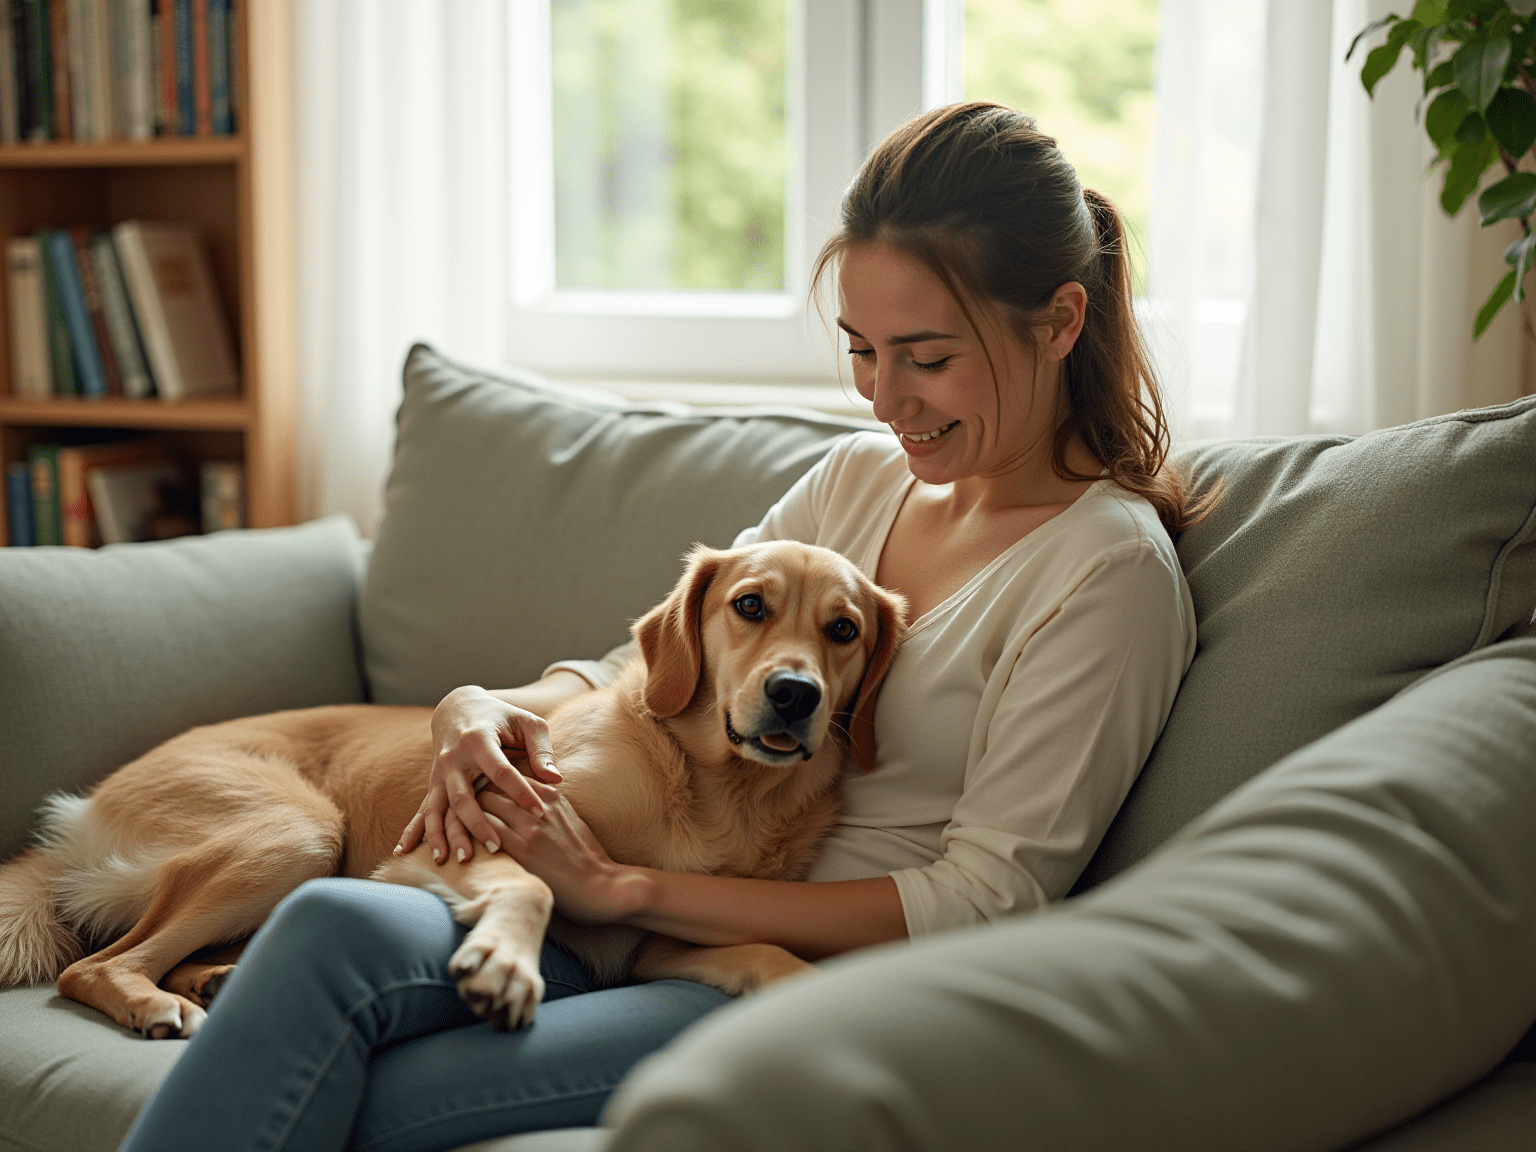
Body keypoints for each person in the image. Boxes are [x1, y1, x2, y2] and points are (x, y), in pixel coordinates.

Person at [119, 102, 1201, 1152]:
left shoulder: (1105, 574)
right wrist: (484, 707)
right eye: (862, 350)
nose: (885, 396)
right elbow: (641, 672)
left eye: (926, 356)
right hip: (627, 912)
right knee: (326, 925)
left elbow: (988, 899)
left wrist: (626, 891)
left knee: (378, 1087)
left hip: (796, 974)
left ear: (1059, 320)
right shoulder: (859, 480)